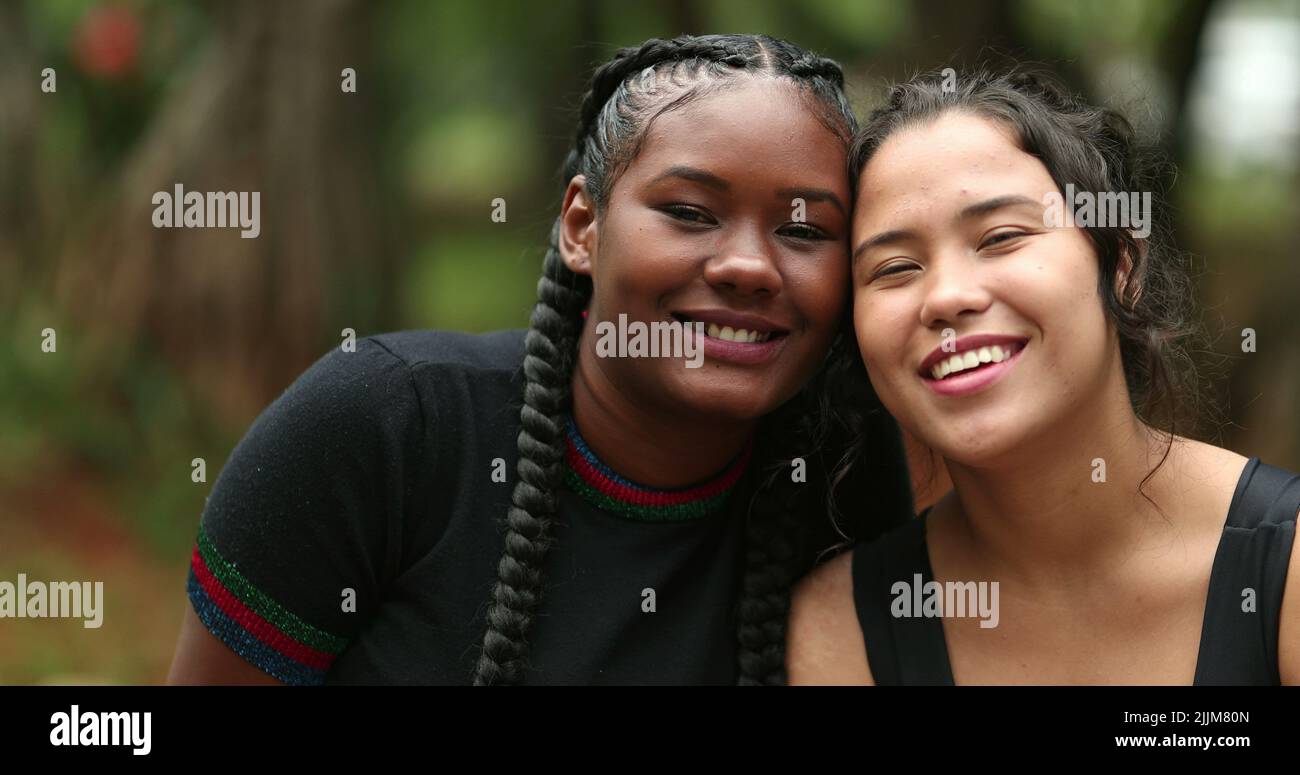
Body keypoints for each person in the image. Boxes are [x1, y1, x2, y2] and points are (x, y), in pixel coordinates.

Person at [166, 34, 913, 686]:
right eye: (689, 212)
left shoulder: (855, 480)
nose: (749, 265)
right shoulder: (382, 428)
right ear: (583, 226)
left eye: (806, 229)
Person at [787, 68, 1300, 685]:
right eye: (895, 268)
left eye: (1002, 237)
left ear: (1121, 267)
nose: (946, 297)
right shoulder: (841, 627)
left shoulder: (1286, 562)